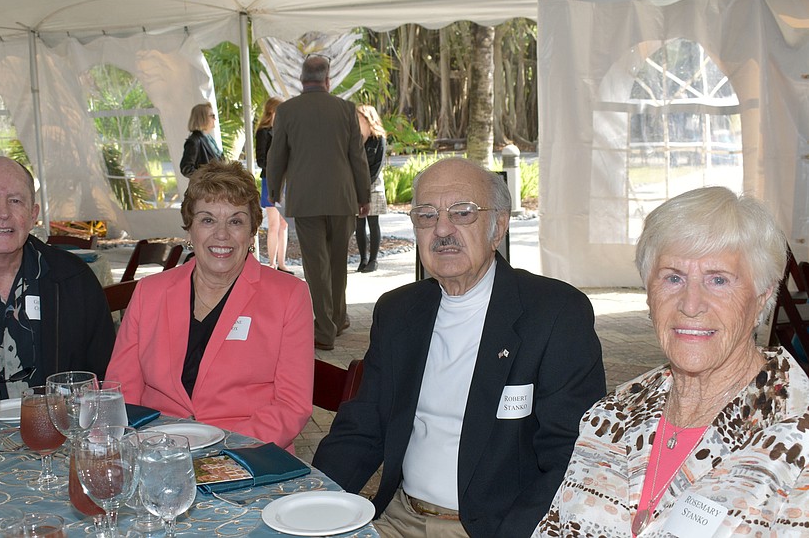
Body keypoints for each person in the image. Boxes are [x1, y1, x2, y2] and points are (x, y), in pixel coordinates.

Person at [313, 157, 606, 536]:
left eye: (462, 213)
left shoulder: (554, 314)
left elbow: (571, 455)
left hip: (492, 527)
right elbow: (362, 426)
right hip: (399, 517)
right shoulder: (399, 311)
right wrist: (313, 498)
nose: (443, 229)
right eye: (426, 215)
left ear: (498, 226)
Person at [533, 186, 809, 537]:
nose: (690, 304)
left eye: (718, 280)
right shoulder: (614, 413)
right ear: (648, 291)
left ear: (763, 294)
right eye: (673, 277)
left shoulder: (797, 434)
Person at [106, 161, 313, 450]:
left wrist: (219, 452)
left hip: (248, 456)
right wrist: (148, 447)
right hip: (158, 453)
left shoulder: (289, 296)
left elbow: (292, 406)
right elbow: (121, 392)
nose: (222, 234)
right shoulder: (149, 292)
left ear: (252, 231)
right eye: (207, 219)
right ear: (189, 229)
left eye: (236, 221)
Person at [0, 157, 115, 399]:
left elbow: (104, 376)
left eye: (15, 201)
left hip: (58, 430)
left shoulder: (73, 281)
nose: (3, 213)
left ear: (33, 215)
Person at [266, 55, 371, 351]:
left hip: (306, 199)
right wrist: (363, 196)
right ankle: (338, 318)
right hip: (342, 197)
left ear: (301, 80)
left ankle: (325, 330)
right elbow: (357, 158)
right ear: (327, 81)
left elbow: (277, 156)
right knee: (338, 262)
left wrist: (272, 190)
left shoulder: (287, 111)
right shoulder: (345, 109)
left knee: (317, 266)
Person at [253, 96, 291, 274]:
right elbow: (261, 159)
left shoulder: (284, 130)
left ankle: (282, 263)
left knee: (284, 224)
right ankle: (272, 263)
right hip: (271, 179)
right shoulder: (264, 131)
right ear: (273, 111)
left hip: (286, 180)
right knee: (274, 223)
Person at [354, 105, 387, 273]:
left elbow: (378, 166)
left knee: (373, 222)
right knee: (358, 224)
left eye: (359, 117)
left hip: (374, 185)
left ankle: (373, 260)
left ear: (368, 118)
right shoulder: (355, 138)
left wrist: (365, 184)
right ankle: (363, 259)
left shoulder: (379, 138)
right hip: (356, 185)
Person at [180, 103, 223, 178]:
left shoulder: (208, 137)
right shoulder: (194, 141)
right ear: (202, 118)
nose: (214, 119)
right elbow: (186, 169)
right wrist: (206, 178)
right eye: (212, 116)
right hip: (207, 187)